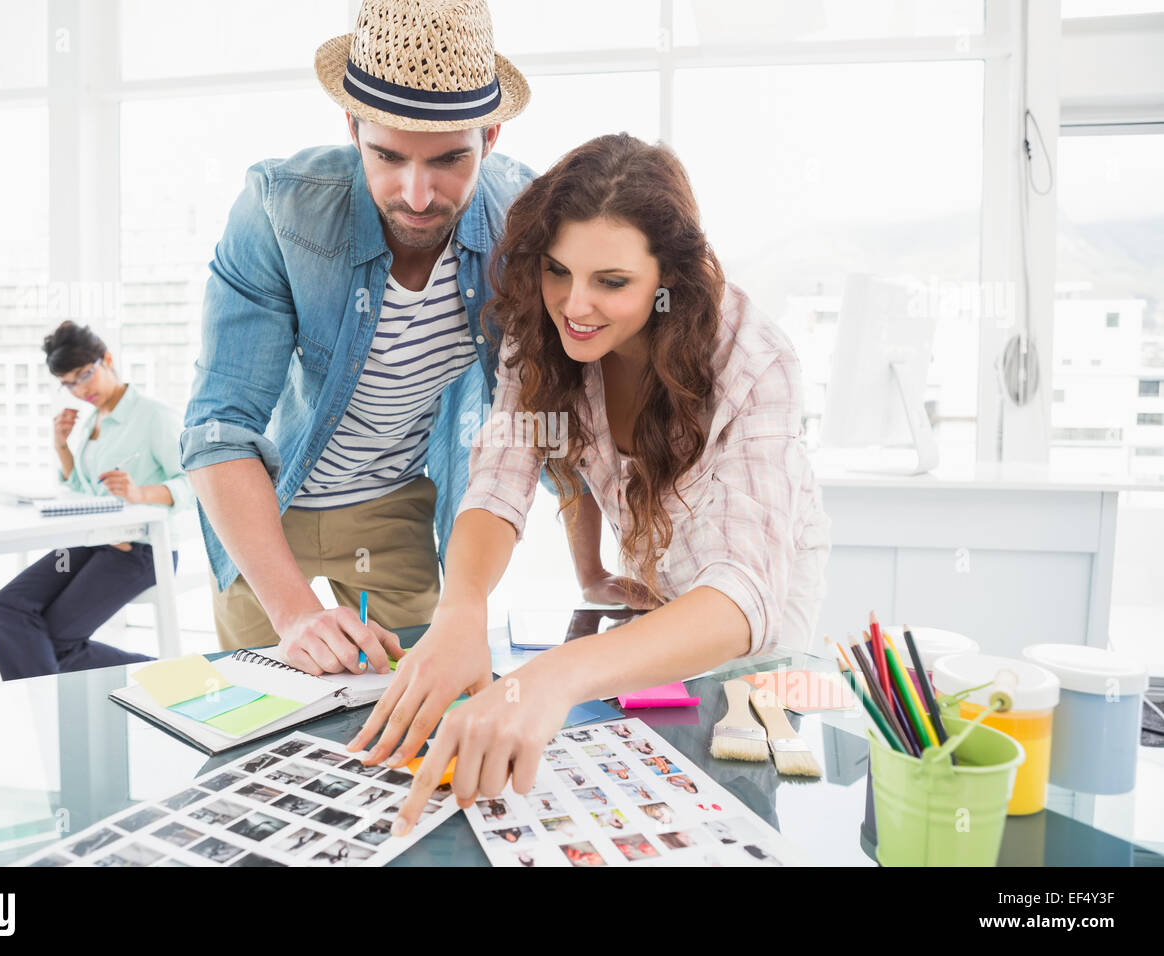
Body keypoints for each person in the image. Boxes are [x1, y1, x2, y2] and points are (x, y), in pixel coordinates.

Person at [346, 133, 832, 835]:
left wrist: (553, 676)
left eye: (612, 282)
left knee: (726, 786)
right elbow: (513, 466)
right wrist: (464, 606)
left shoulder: (752, 359)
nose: (574, 306)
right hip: (656, 571)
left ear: (670, 279)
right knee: (646, 792)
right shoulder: (544, 332)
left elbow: (742, 598)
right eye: (556, 270)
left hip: (752, 614)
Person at [181, 0, 554, 672]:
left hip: (394, 506)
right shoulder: (278, 208)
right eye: (387, 155)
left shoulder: (524, 224)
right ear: (352, 127)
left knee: (421, 702)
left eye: (447, 160)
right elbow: (219, 428)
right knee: (265, 725)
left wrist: (604, 571)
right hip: (264, 508)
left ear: (490, 137)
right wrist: (294, 615)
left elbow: (559, 406)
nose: (416, 194)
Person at [0, 322, 193, 679]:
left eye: (84, 376)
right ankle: (161, 675)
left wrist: (139, 494)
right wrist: (61, 446)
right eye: (68, 383)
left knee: (48, 644)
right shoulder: (91, 423)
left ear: (107, 359)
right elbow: (84, 490)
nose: (79, 390)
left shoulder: (152, 415)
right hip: (91, 542)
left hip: (139, 550)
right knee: (6, 609)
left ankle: (166, 677)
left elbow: (195, 484)